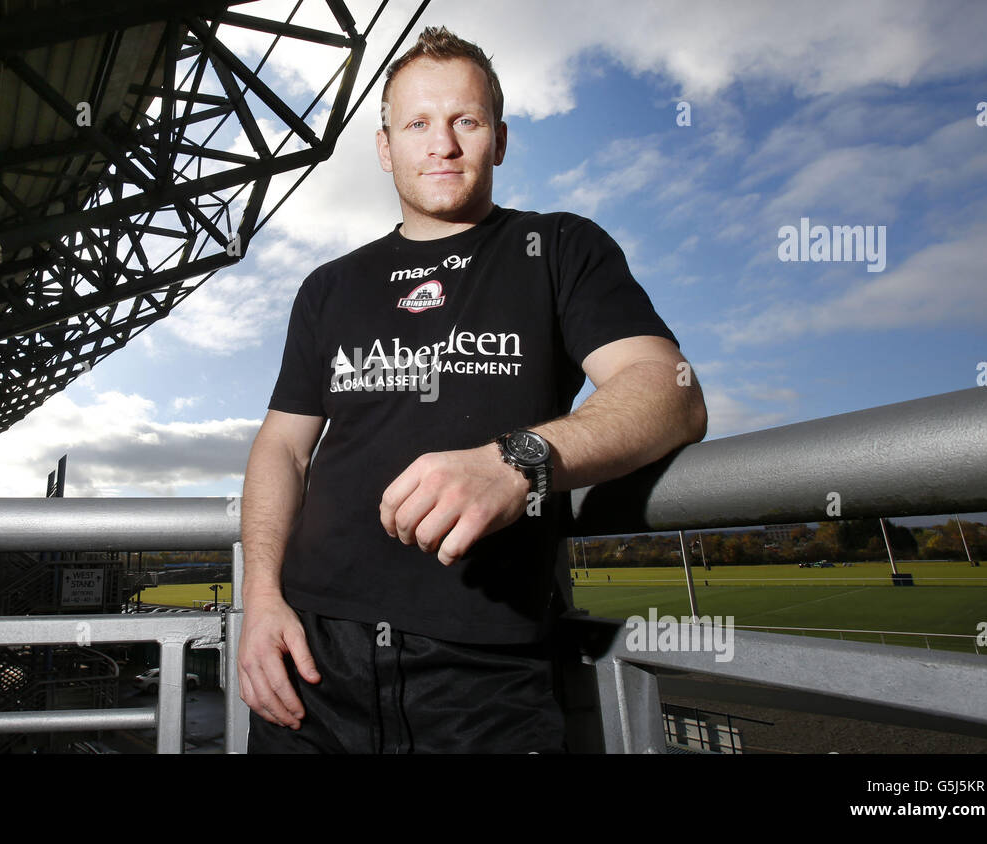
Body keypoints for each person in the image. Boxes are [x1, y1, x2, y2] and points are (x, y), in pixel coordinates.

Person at [237, 26, 707, 753]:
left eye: (467, 120)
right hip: (311, 654)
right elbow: (283, 449)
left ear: (501, 138)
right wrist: (260, 599)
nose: (443, 144)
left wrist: (518, 461)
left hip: (485, 667)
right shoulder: (329, 287)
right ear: (385, 146)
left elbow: (670, 391)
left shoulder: (559, 247)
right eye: (417, 123)